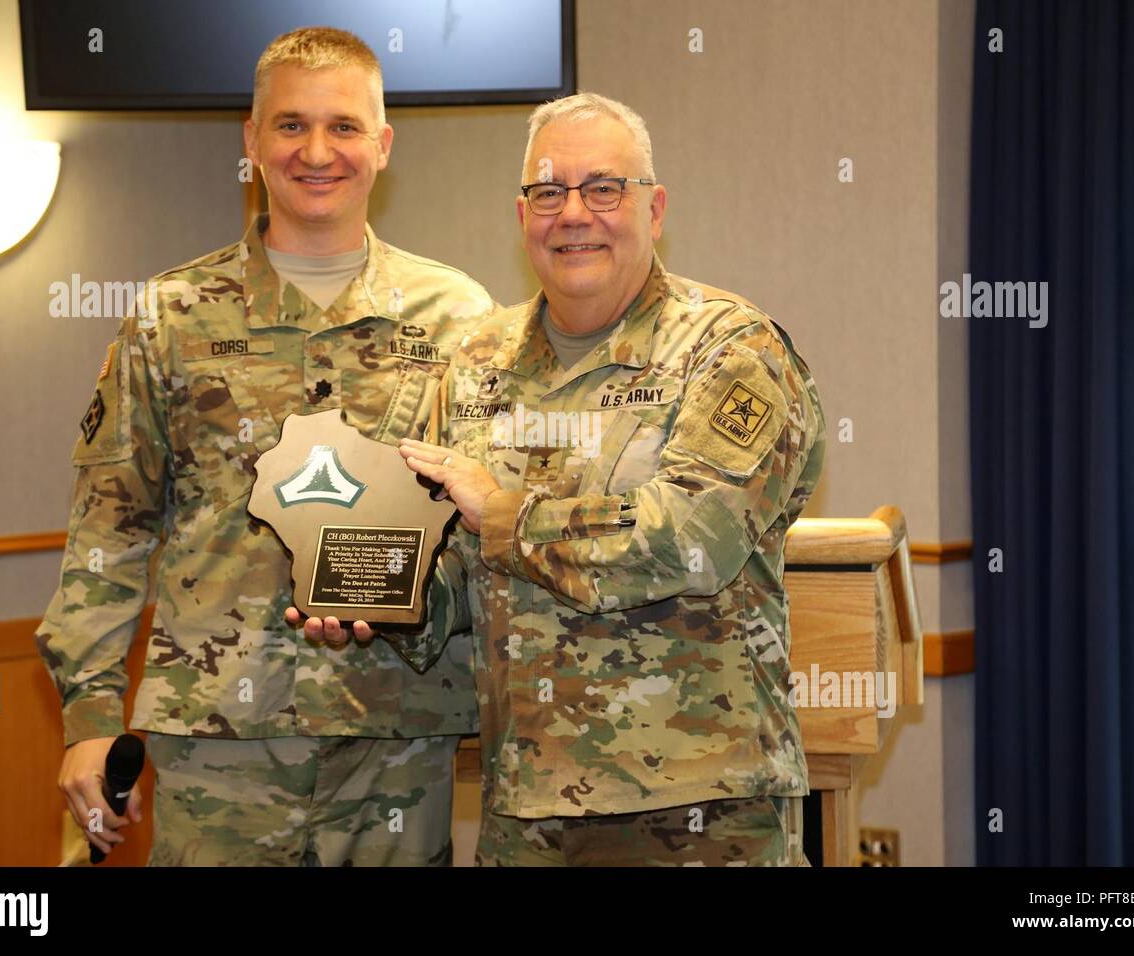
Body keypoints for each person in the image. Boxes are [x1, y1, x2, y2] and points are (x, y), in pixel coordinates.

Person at [296, 92, 826, 866]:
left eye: (602, 188)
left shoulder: (731, 349)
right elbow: (458, 567)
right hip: (528, 811)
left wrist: (508, 516)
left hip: (702, 809)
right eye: (548, 192)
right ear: (523, 217)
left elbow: (692, 541)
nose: (573, 213)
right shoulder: (477, 362)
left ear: (654, 207)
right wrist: (383, 601)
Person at [35, 27, 492, 866]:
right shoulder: (171, 315)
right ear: (252, 141)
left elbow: (481, 526)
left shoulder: (459, 317)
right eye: (290, 125)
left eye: (345, 127)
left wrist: (423, 614)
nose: (317, 151)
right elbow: (113, 525)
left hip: (393, 730)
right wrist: (92, 716)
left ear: (383, 145)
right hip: (220, 739)